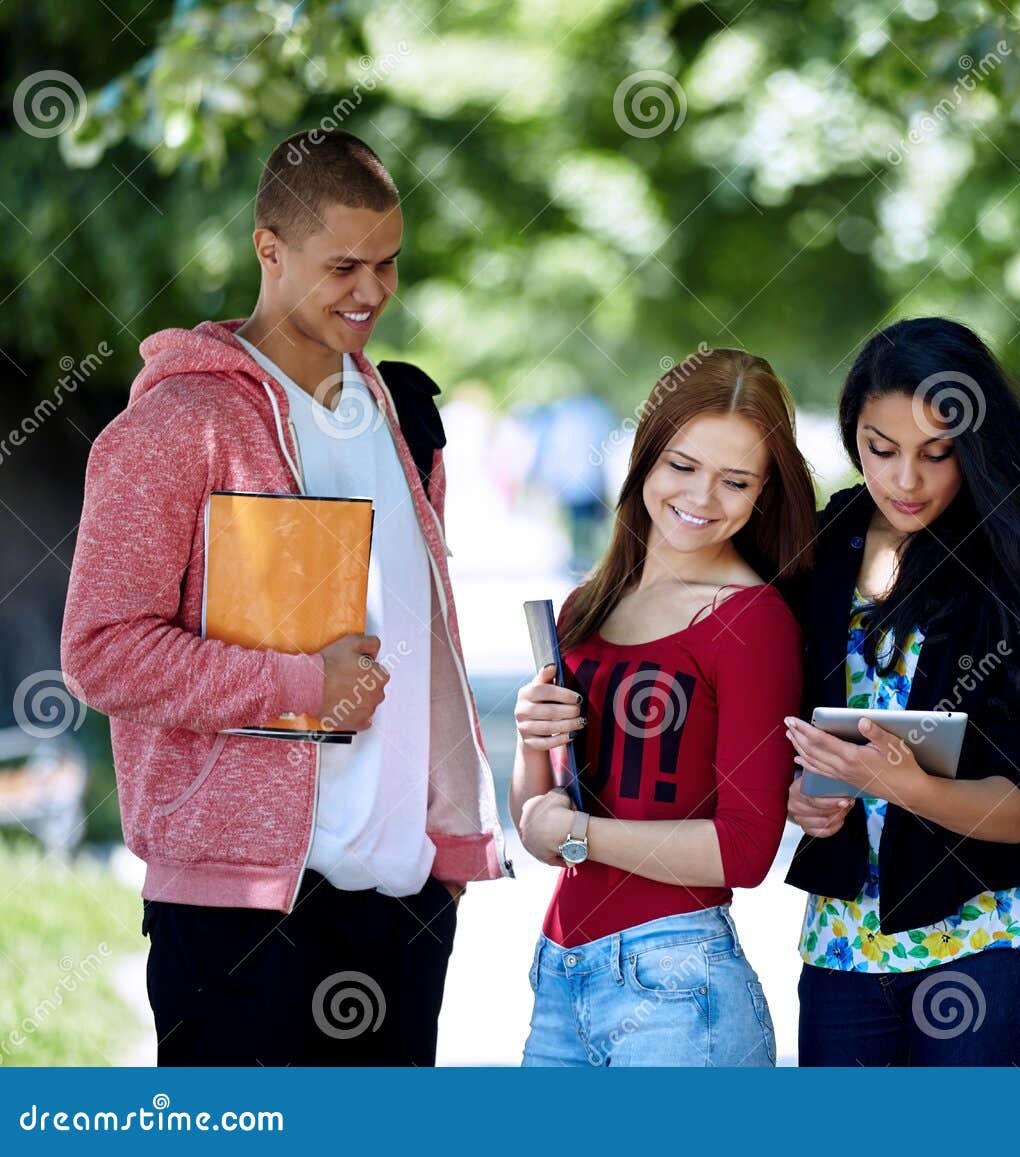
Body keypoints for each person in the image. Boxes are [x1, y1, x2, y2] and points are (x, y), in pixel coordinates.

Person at [59, 130, 506, 1066]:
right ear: (270, 249)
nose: (372, 292)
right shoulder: (178, 426)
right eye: (343, 264)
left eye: (388, 264)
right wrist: (299, 680)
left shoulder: (401, 415)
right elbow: (102, 650)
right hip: (243, 914)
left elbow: (425, 643)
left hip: (404, 907)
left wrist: (448, 853)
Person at [783, 317, 1020, 1066]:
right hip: (844, 945)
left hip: (988, 936)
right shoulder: (826, 545)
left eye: (937, 453)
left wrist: (901, 783)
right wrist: (799, 792)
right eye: (880, 449)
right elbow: (783, 712)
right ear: (852, 433)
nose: (904, 480)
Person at [511, 348, 813, 1067]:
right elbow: (541, 828)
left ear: (765, 493)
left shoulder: (752, 621)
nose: (703, 497)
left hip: (679, 988)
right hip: (559, 974)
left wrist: (580, 830)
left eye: (735, 480)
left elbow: (745, 850)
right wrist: (532, 741)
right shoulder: (588, 606)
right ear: (645, 458)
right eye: (682, 465)